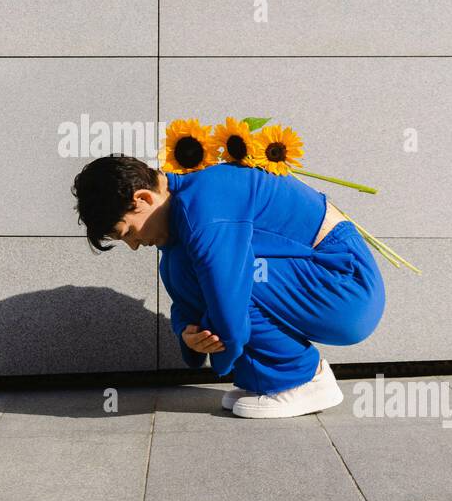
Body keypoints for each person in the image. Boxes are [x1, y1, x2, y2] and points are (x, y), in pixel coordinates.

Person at [71, 155, 385, 419]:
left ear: (143, 199)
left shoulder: (204, 204)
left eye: (128, 232)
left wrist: (221, 356)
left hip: (346, 284)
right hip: (325, 281)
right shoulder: (185, 209)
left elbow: (227, 296)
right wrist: (189, 334)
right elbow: (185, 288)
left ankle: (301, 378)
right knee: (184, 265)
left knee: (223, 275)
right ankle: (265, 379)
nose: (135, 245)